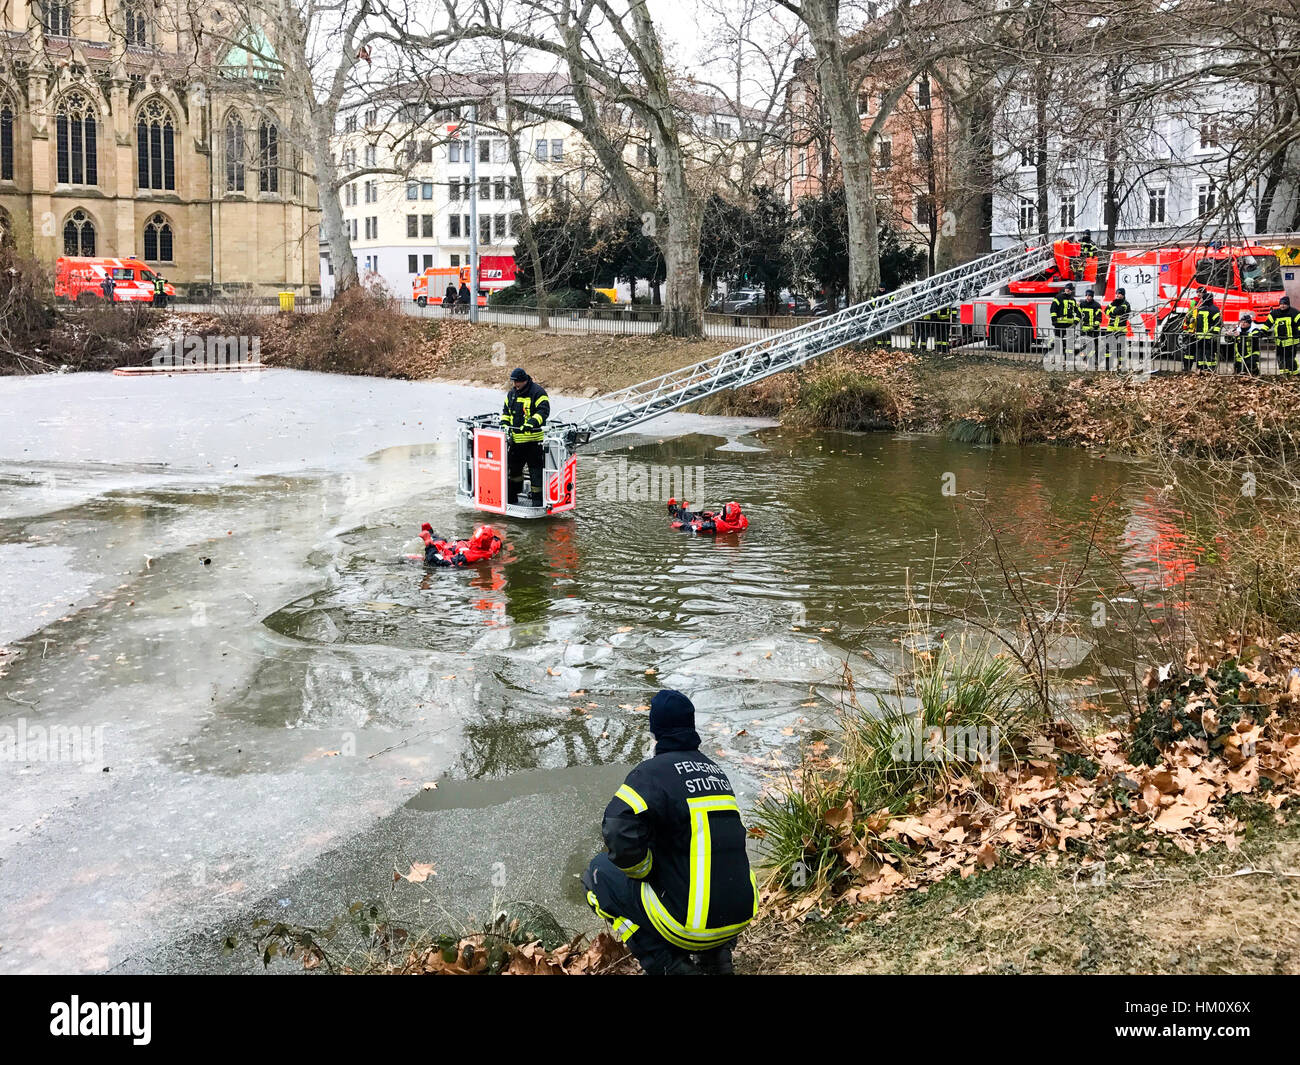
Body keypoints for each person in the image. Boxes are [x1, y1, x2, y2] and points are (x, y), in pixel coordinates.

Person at [582, 689, 758, 976]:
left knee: (597, 875)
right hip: (739, 916)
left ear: (655, 731)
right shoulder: (716, 773)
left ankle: (666, 964)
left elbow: (616, 829)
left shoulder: (651, 773)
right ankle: (717, 959)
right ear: (691, 726)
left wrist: (643, 870)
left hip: (689, 927)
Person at [501, 367, 550, 506]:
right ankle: (512, 497)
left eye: (517, 382)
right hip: (516, 442)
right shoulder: (512, 394)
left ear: (524, 381)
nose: (515, 385)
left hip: (534, 443)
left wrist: (531, 423)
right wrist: (504, 424)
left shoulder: (538, 392)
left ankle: (537, 501)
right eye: (514, 382)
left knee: (536, 473)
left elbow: (543, 411)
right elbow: (506, 411)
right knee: (514, 471)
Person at [418, 522, 503, 566]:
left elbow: (446, 562)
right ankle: (430, 533)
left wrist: (430, 547)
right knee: (441, 542)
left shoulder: (469, 556)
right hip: (452, 546)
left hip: (447, 553)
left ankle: (428, 541)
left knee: (433, 557)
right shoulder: (494, 543)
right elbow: (496, 539)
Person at [1265, 295, 1299, 376]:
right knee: (1280, 359)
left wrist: (1298, 333)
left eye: (1284, 304)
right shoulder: (1275, 313)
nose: (1282, 306)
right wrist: (1262, 331)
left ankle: (1294, 374)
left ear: (1288, 304)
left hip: (1291, 341)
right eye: (1281, 304)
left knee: (1289, 359)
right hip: (1279, 342)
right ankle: (1284, 375)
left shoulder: (1294, 313)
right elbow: (1267, 324)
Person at [1190, 291, 1222, 374]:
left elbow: (1218, 322)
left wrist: (1215, 334)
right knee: (1203, 354)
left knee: (1207, 354)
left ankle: (1207, 369)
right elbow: (1217, 322)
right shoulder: (1210, 309)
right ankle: (1204, 369)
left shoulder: (1207, 309)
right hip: (1204, 336)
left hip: (1206, 336)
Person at [1049, 283, 1080, 368]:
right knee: (1058, 342)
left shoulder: (1073, 300)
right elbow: (1053, 309)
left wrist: (1075, 322)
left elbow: (1078, 312)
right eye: (1066, 288)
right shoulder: (1058, 297)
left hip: (1069, 325)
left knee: (1069, 344)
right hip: (1059, 324)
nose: (1067, 290)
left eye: (1069, 289)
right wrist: (1054, 320)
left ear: (1071, 290)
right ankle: (1057, 359)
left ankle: (1067, 360)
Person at [1104, 286, 1131, 371]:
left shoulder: (1126, 304)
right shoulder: (1113, 302)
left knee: (1121, 348)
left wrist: (1112, 309)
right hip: (1111, 328)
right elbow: (1106, 311)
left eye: (1119, 293)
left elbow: (1116, 311)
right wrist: (1112, 309)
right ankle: (1108, 366)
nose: (1117, 295)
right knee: (1108, 347)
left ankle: (1121, 366)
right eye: (1116, 293)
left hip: (1121, 329)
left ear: (1123, 295)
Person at [1078, 288, 1103, 370]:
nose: (1088, 297)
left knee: (1094, 347)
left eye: (1089, 296)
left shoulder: (1096, 305)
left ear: (1092, 296)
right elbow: (1078, 314)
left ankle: (1095, 362)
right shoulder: (1082, 304)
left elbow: (1099, 319)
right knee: (1083, 347)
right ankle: (1084, 360)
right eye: (1087, 295)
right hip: (1084, 330)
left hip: (1093, 331)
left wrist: (1093, 327)